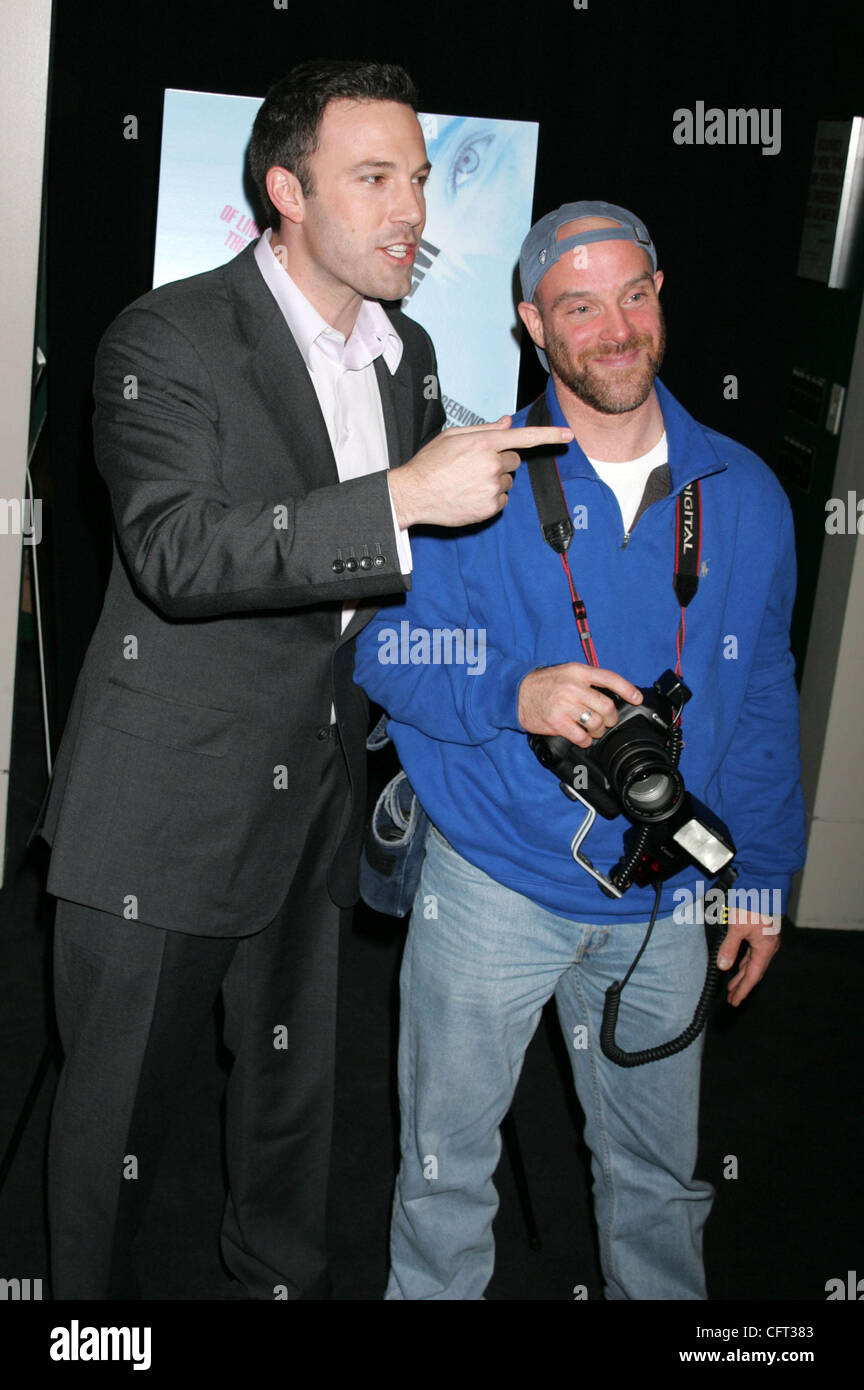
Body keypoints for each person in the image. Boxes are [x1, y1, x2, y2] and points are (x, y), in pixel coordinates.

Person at [38, 59, 573, 1301]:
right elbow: (177, 552)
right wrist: (401, 499)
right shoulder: (162, 336)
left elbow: (390, 589)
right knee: (113, 1140)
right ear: (286, 189)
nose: (413, 212)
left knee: (291, 1112)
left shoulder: (413, 353)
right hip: (165, 812)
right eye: (374, 178)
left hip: (317, 799)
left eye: (422, 180)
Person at [354, 200, 807, 1300]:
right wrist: (515, 691)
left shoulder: (744, 493)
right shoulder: (471, 478)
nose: (615, 330)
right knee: (445, 1175)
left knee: (659, 1182)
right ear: (531, 323)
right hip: (493, 887)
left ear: (661, 296)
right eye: (579, 306)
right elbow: (385, 648)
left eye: (636, 295)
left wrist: (763, 873)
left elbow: (761, 697)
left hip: (663, 903)